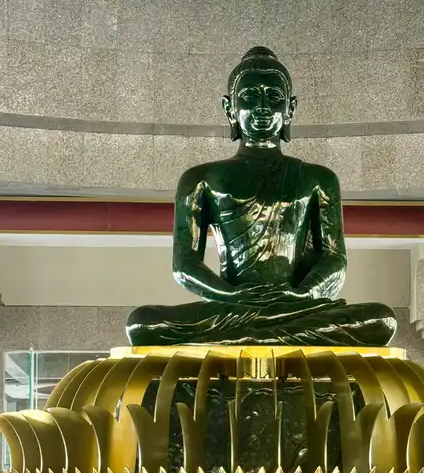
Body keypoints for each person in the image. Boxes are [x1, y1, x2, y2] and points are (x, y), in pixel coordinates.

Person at [126, 47, 397, 347]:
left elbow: (334, 259)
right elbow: (185, 265)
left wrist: (303, 294)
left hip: (294, 305)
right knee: (142, 322)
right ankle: (262, 333)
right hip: (231, 306)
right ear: (229, 108)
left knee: (381, 319)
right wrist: (231, 294)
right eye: (250, 97)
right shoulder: (200, 179)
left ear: (290, 109)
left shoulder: (319, 179)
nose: (263, 107)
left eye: (274, 97)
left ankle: (243, 337)